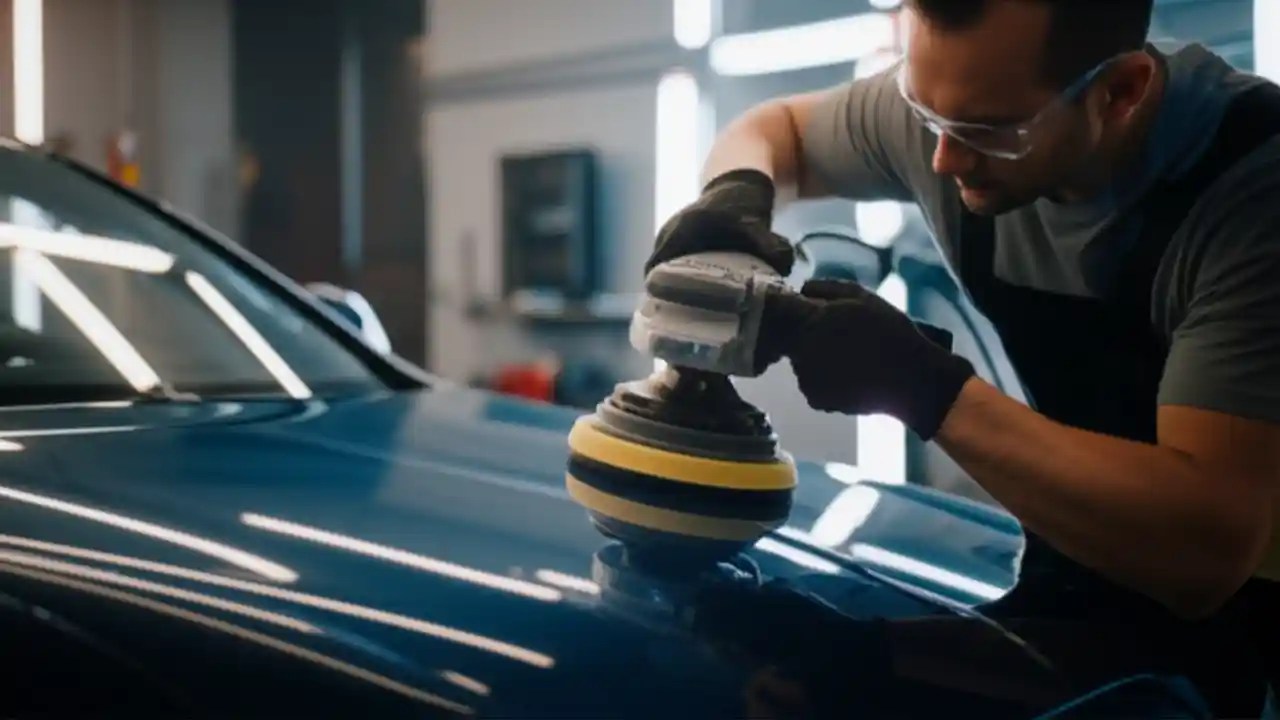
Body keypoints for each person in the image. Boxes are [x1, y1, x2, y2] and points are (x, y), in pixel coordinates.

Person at [647, 0, 1280, 712]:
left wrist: (926, 390)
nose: (943, 159)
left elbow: (1206, 552)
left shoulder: (1253, 191)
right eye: (927, 116)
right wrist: (735, 199)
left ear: (1120, 91)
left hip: (1244, 629)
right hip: (1083, 581)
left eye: (989, 131)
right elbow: (777, 131)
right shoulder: (957, 112)